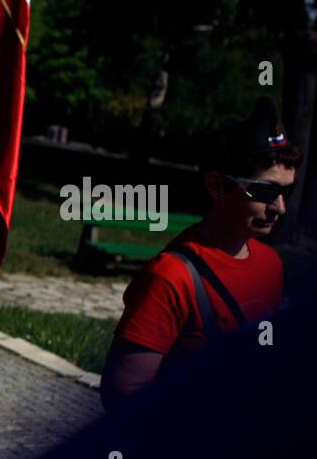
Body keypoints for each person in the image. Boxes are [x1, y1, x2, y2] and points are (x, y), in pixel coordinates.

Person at [101, 97, 300, 413]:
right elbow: (123, 396)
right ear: (217, 186)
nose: (279, 207)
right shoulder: (170, 278)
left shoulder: (270, 264)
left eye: (287, 191)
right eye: (264, 191)